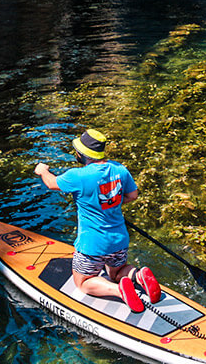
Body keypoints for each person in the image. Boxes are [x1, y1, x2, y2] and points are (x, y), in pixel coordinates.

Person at [34, 128, 161, 312]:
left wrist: (43, 170)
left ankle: (120, 291)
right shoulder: (120, 169)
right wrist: (112, 204)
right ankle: (138, 275)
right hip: (119, 240)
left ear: (82, 154)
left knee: (83, 282)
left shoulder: (77, 176)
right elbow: (132, 195)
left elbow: (52, 183)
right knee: (117, 271)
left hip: (92, 246)